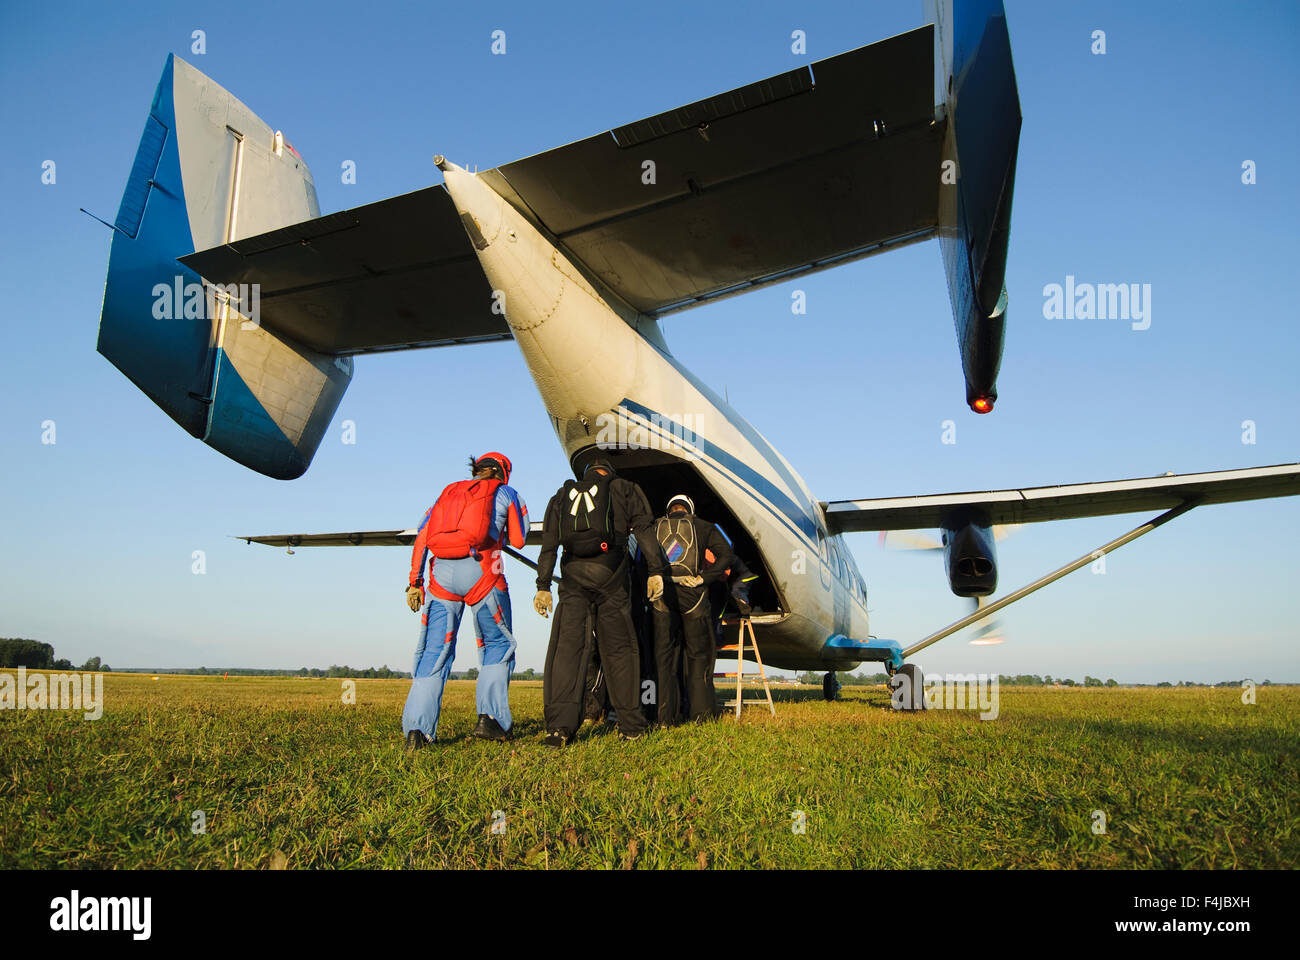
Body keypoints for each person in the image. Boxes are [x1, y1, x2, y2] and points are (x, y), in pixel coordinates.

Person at [402, 453, 528, 750]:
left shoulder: (448, 492)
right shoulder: (507, 493)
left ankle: (418, 732)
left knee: (434, 651)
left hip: (441, 578)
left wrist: (414, 583)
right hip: (485, 573)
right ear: (503, 473)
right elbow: (520, 539)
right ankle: (491, 719)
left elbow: (422, 537)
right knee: (497, 644)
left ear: (477, 471)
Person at [533, 459, 664, 746]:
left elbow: (549, 544)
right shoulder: (625, 489)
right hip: (612, 576)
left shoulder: (561, 496)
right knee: (619, 650)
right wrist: (655, 571)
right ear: (610, 474)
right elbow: (644, 530)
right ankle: (631, 726)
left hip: (572, 577)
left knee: (567, 651)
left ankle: (559, 728)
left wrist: (543, 586)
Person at [650, 494, 734, 724]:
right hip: (693, 594)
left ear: (669, 510)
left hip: (661, 595)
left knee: (664, 658)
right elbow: (727, 555)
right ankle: (701, 715)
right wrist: (704, 578)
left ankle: (664, 717)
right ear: (690, 510)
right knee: (699, 656)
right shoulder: (703, 526)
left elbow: (640, 559)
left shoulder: (655, 526)